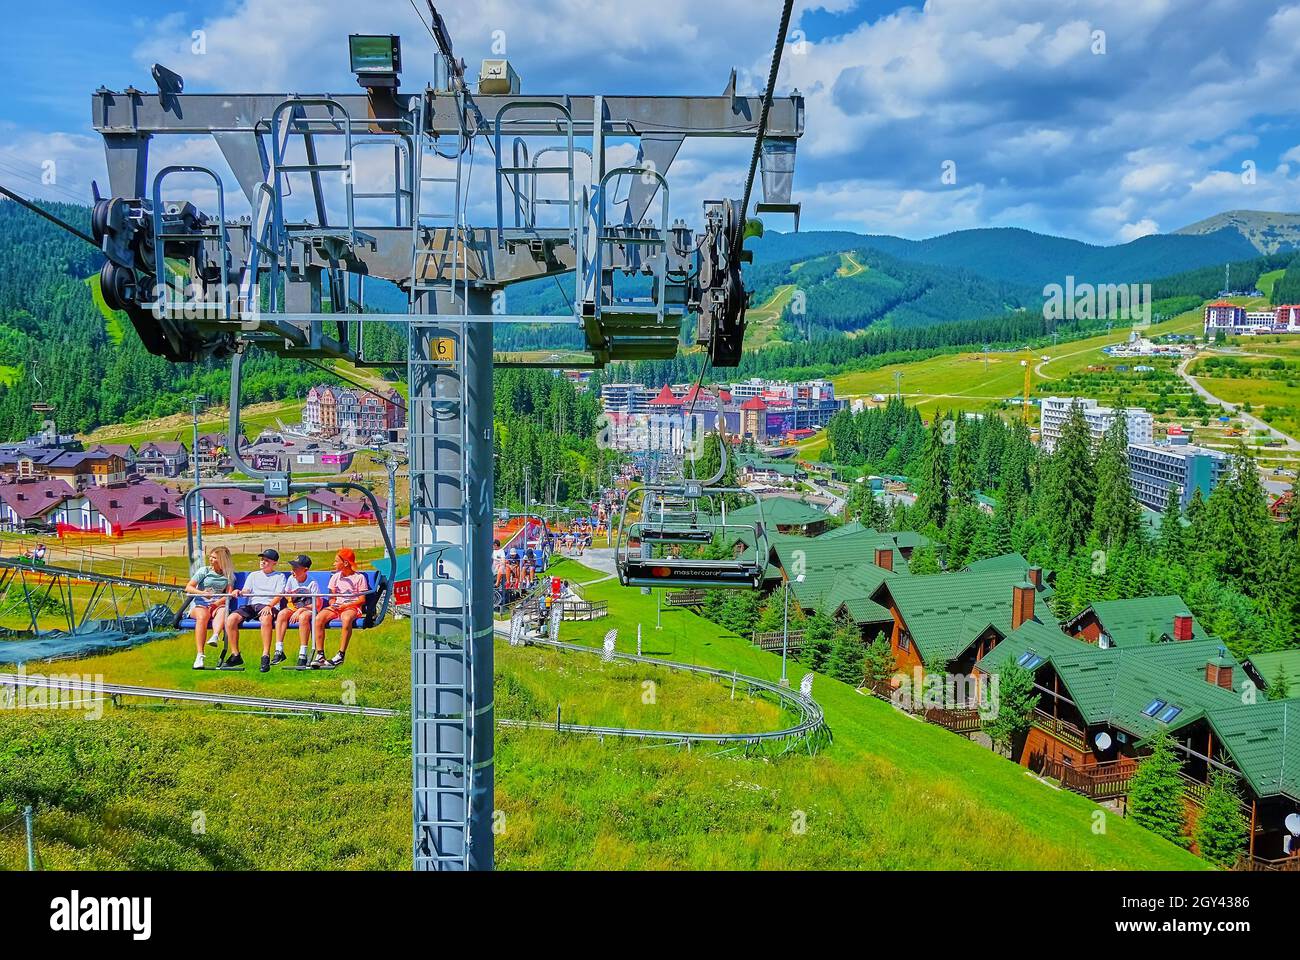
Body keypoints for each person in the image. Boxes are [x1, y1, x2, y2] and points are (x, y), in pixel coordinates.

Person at [223, 549, 287, 671]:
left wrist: (270, 606)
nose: (263, 562)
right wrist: (239, 592)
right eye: (262, 559)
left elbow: (279, 595)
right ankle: (235, 654)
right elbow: (247, 590)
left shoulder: (279, 577)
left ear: (274, 563)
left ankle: (265, 655)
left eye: (266, 560)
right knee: (231, 619)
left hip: (268, 604)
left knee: (266, 618)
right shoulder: (253, 575)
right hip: (253, 604)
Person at [312, 548, 369, 669]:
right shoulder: (336, 577)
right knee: (318, 619)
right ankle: (320, 654)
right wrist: (333, 603)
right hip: (338, 606)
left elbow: (362, 599)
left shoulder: (359, 578)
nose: (333, 564)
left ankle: (340, 655)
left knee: (347, 618)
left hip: (351, 606)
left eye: (336, 561)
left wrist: (346, 605)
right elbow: (332, 596)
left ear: (346, 563)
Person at [186, 546, 234, 670]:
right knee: (203, 616)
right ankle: (200, 655)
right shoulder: (204, 571)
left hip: (217, 604)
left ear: (222, 560)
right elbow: (189, 587)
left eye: (214, 558)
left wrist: (216, 604)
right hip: (200, 604)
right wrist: (202, 593)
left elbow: (229, 595)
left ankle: (215, 636)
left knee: (224, 610)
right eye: (211, 557)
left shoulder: (228, 575)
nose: (211, 560)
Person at [276, 554, 321, 668]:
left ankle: (303, 653)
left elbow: (318, 603)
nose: (293, 571)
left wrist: (301, 609)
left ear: (305, 570)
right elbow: (287, 595)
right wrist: (288, 597)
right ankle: (279, 650)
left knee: (303, 617)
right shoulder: (291, 579)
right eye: (292, 568)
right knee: (282, 614)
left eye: (296, 568)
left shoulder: (312, 583)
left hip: (309, 608)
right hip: (294, 607)